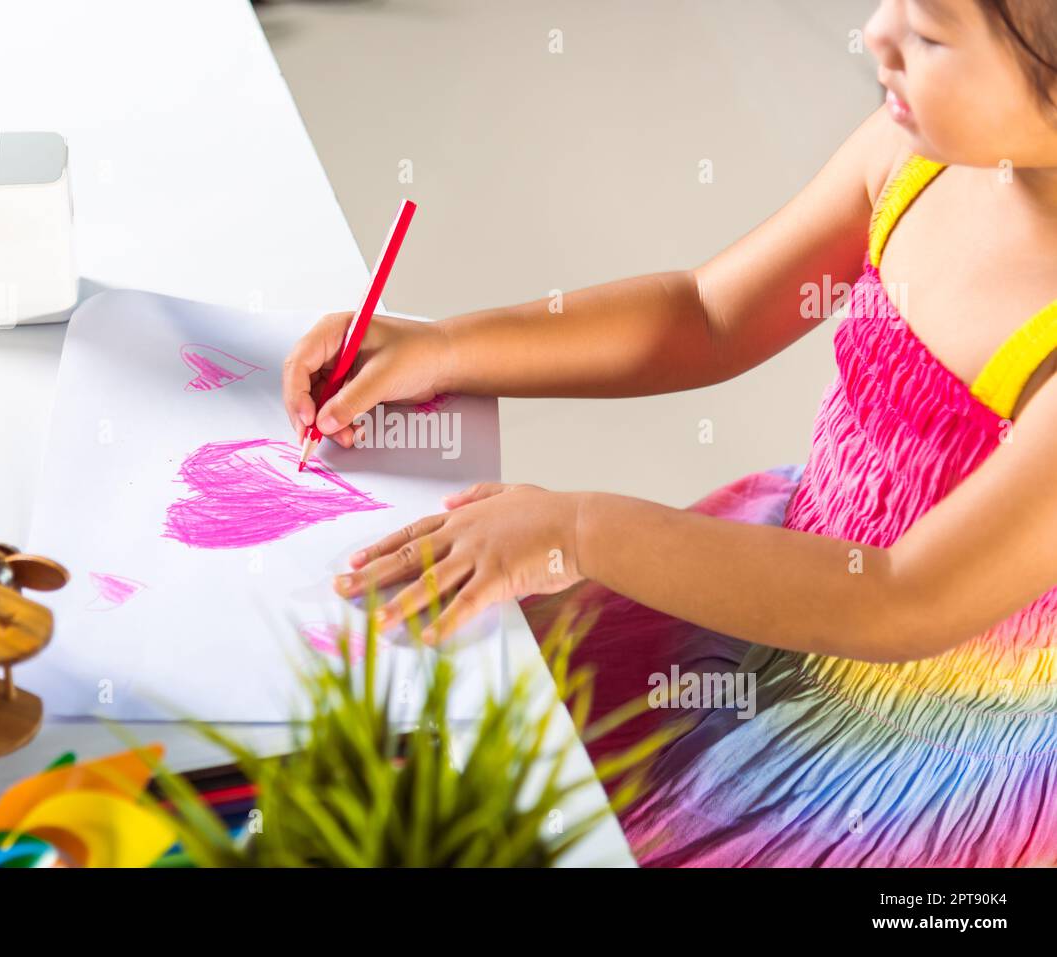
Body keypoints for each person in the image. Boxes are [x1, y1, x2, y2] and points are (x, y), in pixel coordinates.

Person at [282, 0, 1057, 866]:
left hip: (897, 773)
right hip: (770, 589)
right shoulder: (914, 152)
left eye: (931, 32)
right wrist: (449, 348)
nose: (877, 34)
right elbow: (706, 314)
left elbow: (894, 599)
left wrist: (576, 531)